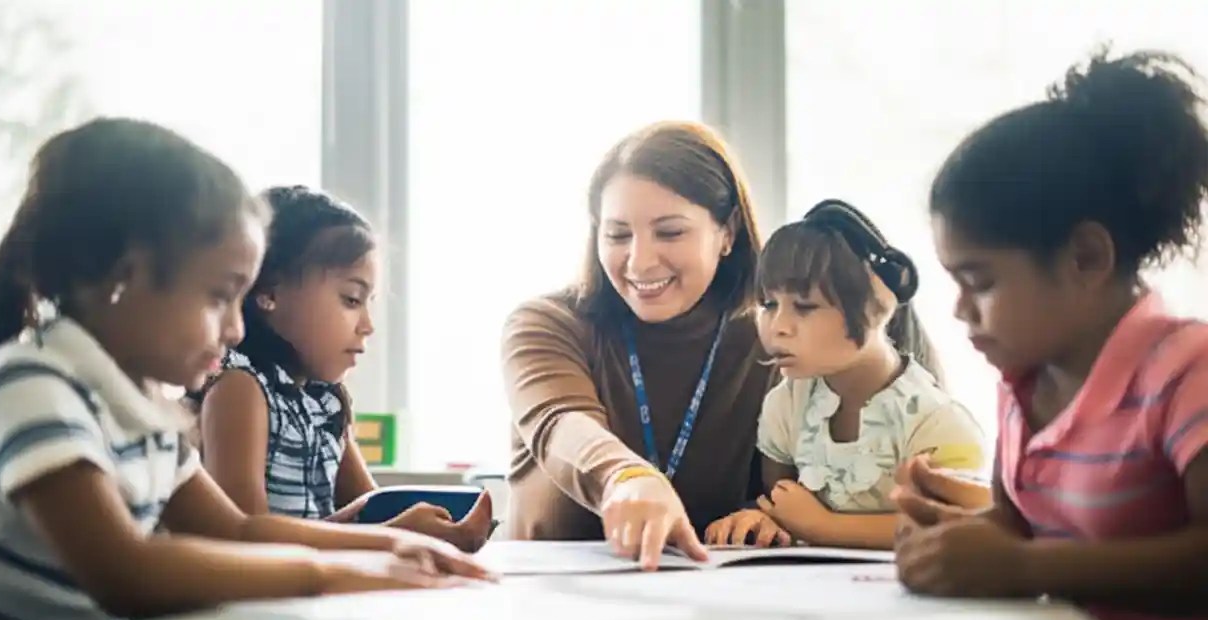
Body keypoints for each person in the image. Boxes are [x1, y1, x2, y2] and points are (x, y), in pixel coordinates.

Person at [0, 118, 490, 620]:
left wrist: (392, 546)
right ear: (127, 276)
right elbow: (126, 572)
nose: (236, 328)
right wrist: (331, 573)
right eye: (219, 296)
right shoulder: (31, 383)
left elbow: (237, 530)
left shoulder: (143, 413)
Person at [896, 50, 1208, 620]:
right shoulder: (1023, 384)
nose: (959, 312)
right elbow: (1021, 530)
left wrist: (1021, 570)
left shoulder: (1187, 371)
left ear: (1086, 257)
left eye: (979, 283)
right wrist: (951, 545)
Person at [502, 120, 773, 569]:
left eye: (669, 233)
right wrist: (626, 476)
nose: (640, 261)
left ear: (727, 233)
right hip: (552, 608)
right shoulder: (546, 324)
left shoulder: (772, 338)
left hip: (717, 611)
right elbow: (561, 424)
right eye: (618, 234)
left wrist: (770, 517)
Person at [196, 185, 491, 552]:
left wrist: (424, 528)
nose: (368, 324)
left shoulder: (325, 402)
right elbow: (248, 538)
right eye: (351, 299)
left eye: (369, 302)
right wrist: (392, 535)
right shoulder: (240, 388)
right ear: (270, 292)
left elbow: (371, 508)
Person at [704, 200, 985, 550]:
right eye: (769, 304)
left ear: (876, 308)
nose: (778, 327)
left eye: (805, 306)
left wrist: (825, 526)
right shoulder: (787, 404)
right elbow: (782, 506)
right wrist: (764, 520)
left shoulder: (936, 422)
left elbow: (959, 526)